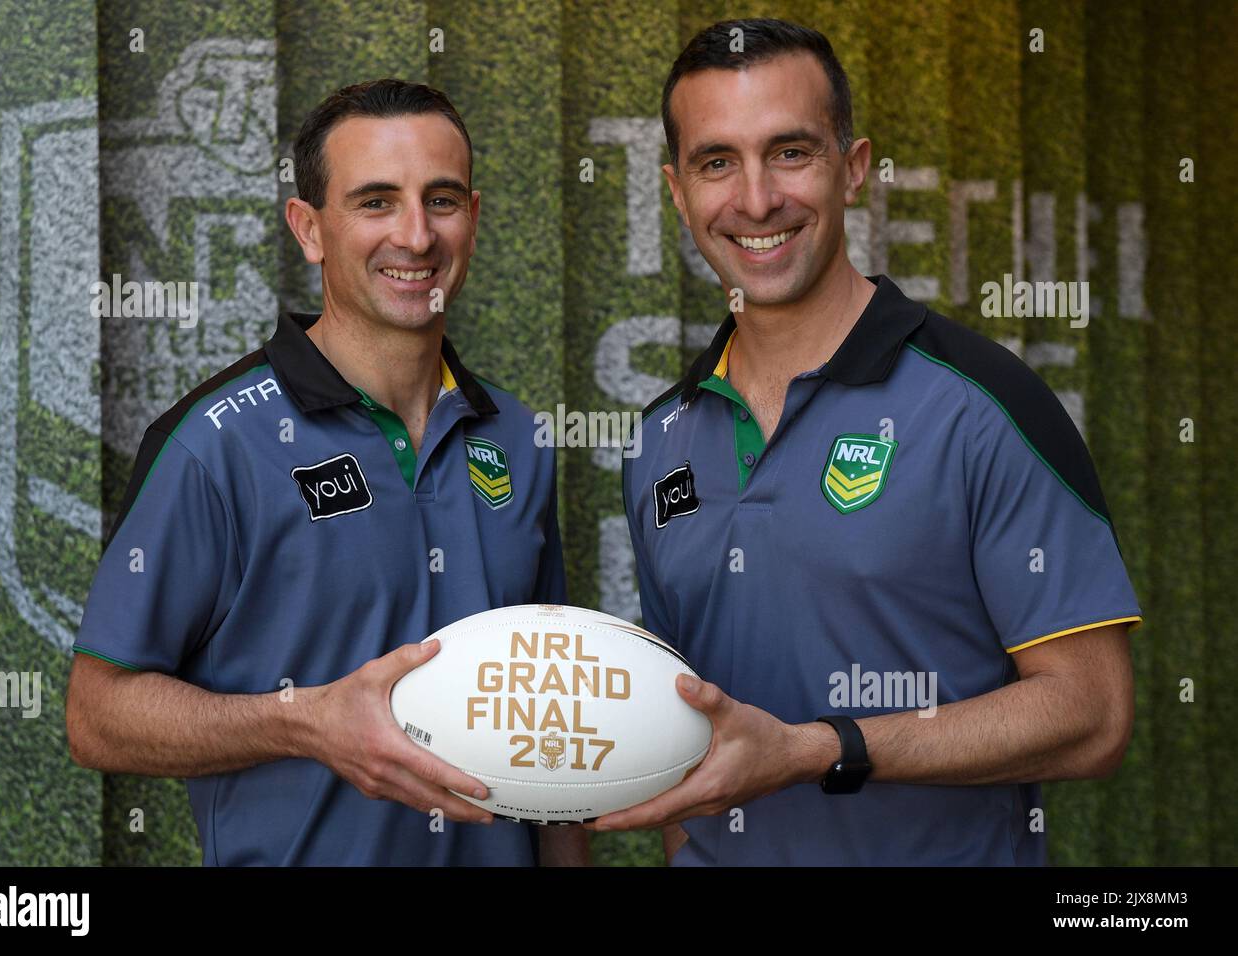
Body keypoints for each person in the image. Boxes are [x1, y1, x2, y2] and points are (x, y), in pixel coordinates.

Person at [597, 19, 1141, 865]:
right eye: (717, 162)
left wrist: (823, 748)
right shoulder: (659, 437)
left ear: (853, 171)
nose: (754, 198)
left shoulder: (985, 403)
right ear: (676, 191)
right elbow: (689, 721)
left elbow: (1093, 716)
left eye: (790, 152)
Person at [66, 79, 588, 866]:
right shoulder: (218, 442)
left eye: (440, 200)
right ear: (309, 230)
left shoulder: (516, 436)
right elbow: (96, 716)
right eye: (375, 202)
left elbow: (549, 725)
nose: (416, 236)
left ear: (473, 219)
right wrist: (304, 721)